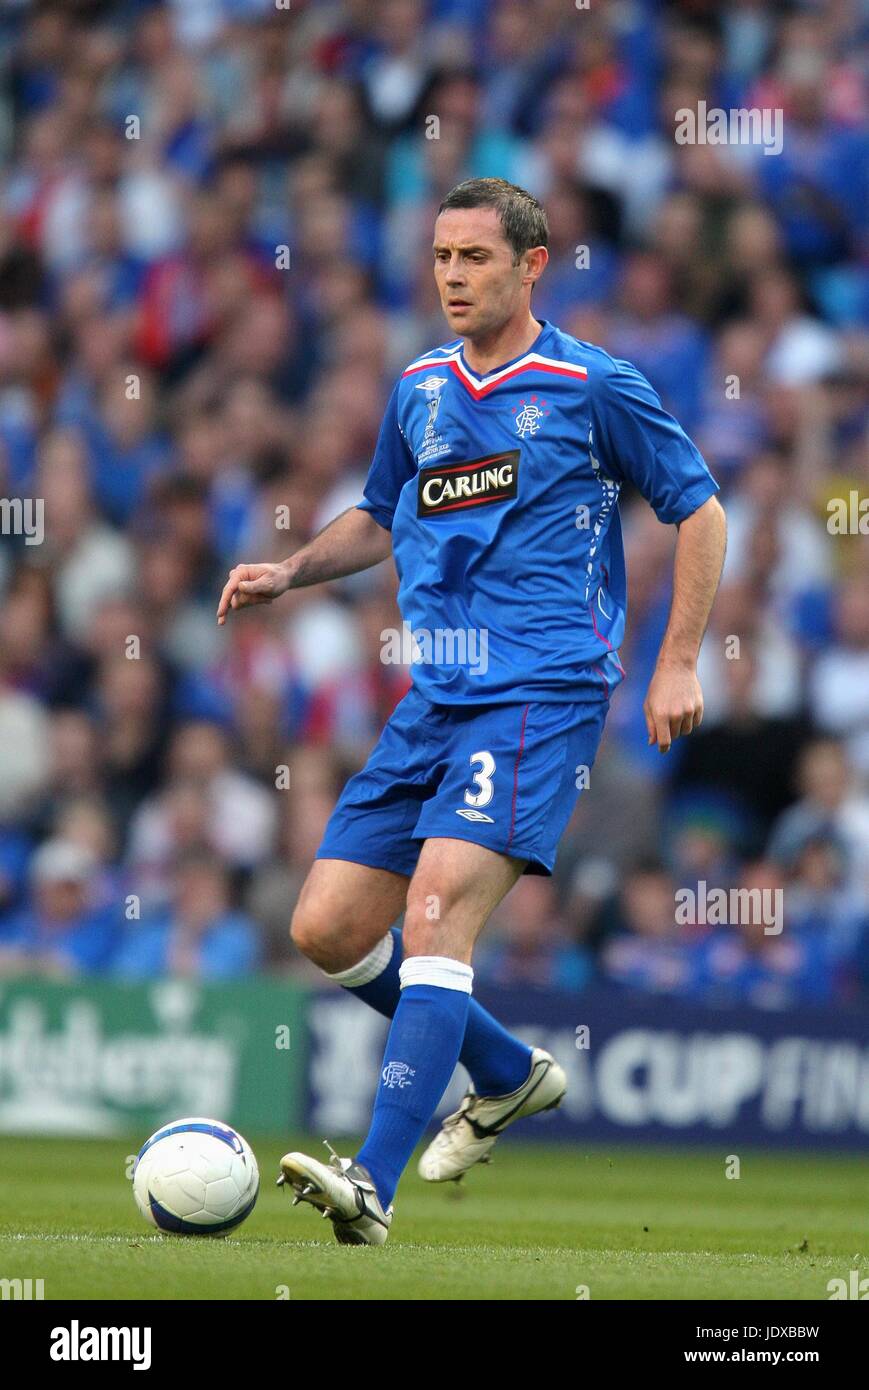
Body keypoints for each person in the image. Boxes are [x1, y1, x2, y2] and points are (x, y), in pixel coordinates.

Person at [216, 178, 726, 1245]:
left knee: (436, 912)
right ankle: (501, 1070)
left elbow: (699, 507)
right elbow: (379, 512)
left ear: (531, 265)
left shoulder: (593, 387)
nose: (451, 276)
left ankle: (373, 1182)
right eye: (440, 257)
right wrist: (292, 572)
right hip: (434, 696)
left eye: (474, 259)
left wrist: (676, 661)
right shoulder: (417, 387)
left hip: (540, 689)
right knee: (326, 927)